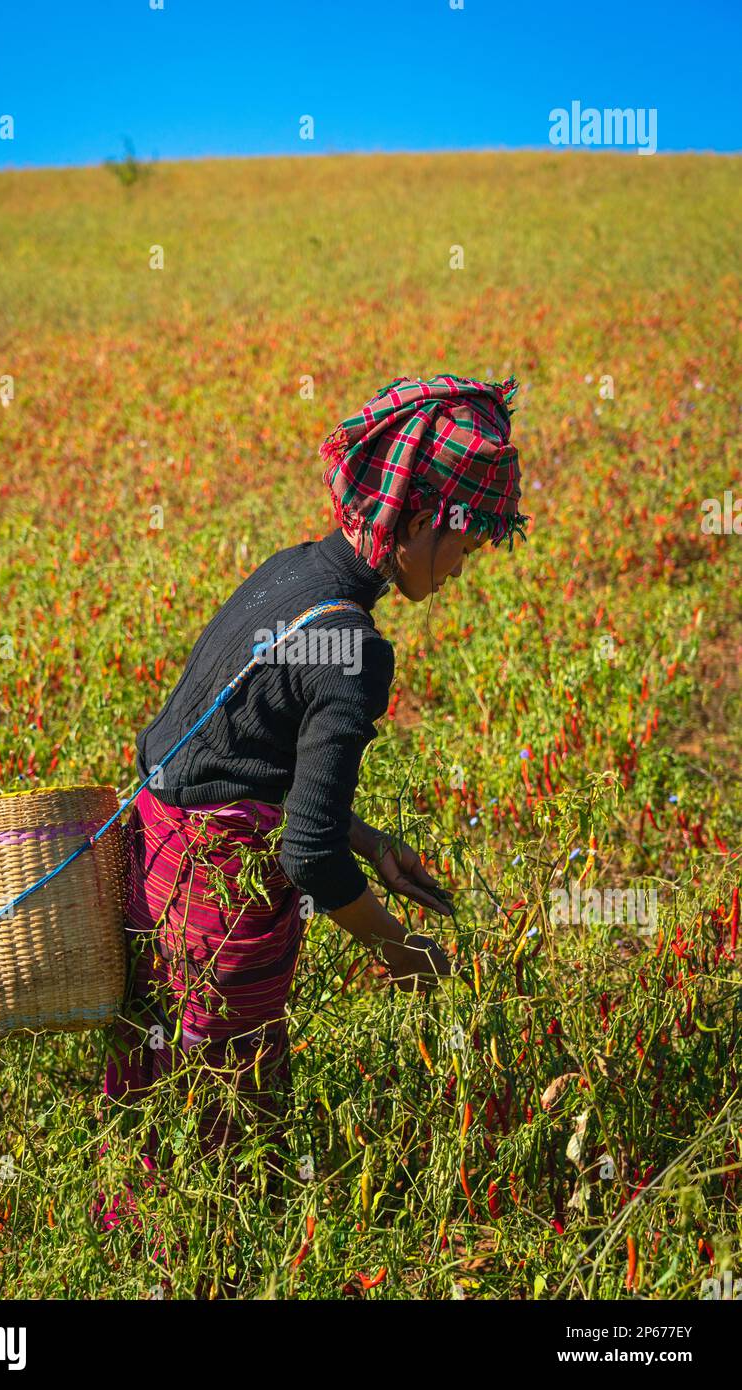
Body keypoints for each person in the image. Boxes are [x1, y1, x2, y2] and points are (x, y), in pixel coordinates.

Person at [93, 372, 528, 1248]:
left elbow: (235, 752)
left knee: (151, 1083)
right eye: (463, 547)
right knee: (230, 1123)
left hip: (154, 870)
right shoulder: (355, 650)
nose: (461, 569)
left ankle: (122, 1246)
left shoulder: (293, 571)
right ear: (414, 524)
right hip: (218, 904)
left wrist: (370, 841)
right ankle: (207, 1263)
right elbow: (306, 857)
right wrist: (402, 954)